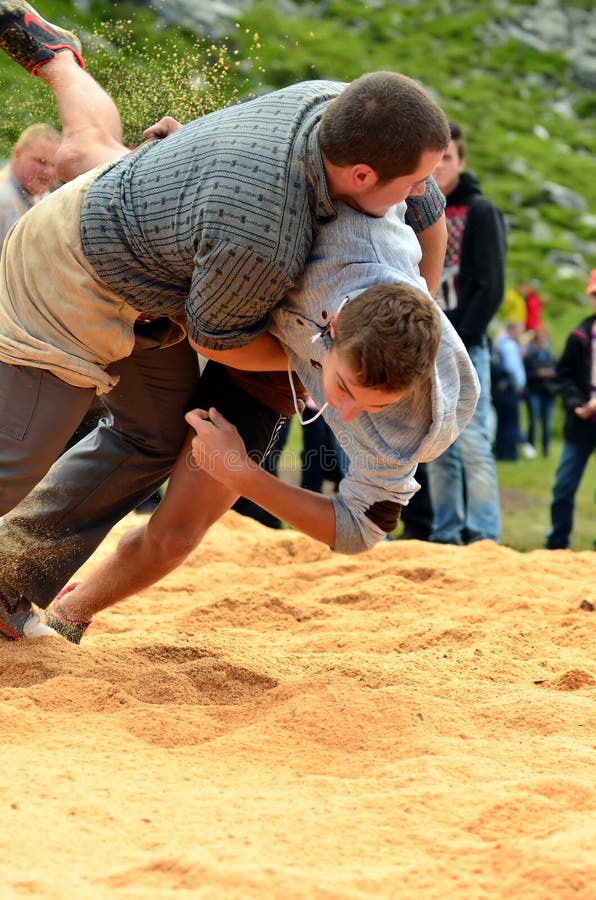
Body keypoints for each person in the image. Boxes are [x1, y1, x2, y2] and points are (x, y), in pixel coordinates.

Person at [0, 1, 460, 639]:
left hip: (167, 260)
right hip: (80, 274)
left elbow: (427, 201)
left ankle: (10, 585)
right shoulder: (265, 241)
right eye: (346, 390)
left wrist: (420, 302)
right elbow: (216, 336)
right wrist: (246, 457)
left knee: (93, 155)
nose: (346, 413)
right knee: (15, 459)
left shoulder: (351, 119)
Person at [425, 121, 506, 544]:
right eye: (434, 159)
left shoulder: (481, 211)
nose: (440, 167)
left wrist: (464, 338)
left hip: (467, 345)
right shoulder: (418, 207)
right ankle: (446, 532)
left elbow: (491, 285)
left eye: (449, 159)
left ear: (462, 160)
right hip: (427, 348)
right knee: (438, 446)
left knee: (474, 443)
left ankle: (484, 534)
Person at [545, 272, 596, 550]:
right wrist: (577, 404)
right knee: (563, 487)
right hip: (582, 424)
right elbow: (562, 376)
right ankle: (557, 543)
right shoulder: (579, 336)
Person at [0, 121, 60, 246]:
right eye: (41, 162)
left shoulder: (50, 198)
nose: (49, 172)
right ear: (17, 153)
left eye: (54, 165)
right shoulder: (3, 198)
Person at [491, 321, 527, 461]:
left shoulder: (498, 343)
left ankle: (501, 451)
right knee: (510, 422)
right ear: (512, 330)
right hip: (508, 389)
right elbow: (513, 369)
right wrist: (519, 385)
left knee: (502, 422)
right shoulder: (509, 345)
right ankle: (509, 454)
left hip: (499, 390)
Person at [523, 325, 558, 457]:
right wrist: (538, 374)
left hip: (548, 394)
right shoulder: (529, 357)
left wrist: (550, 374)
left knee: (547, 423)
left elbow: (559, 374)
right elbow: (526, 374)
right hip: (534, 392)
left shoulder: (552, 358)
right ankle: (530, 446)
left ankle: (545, 449)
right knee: (533, 420)